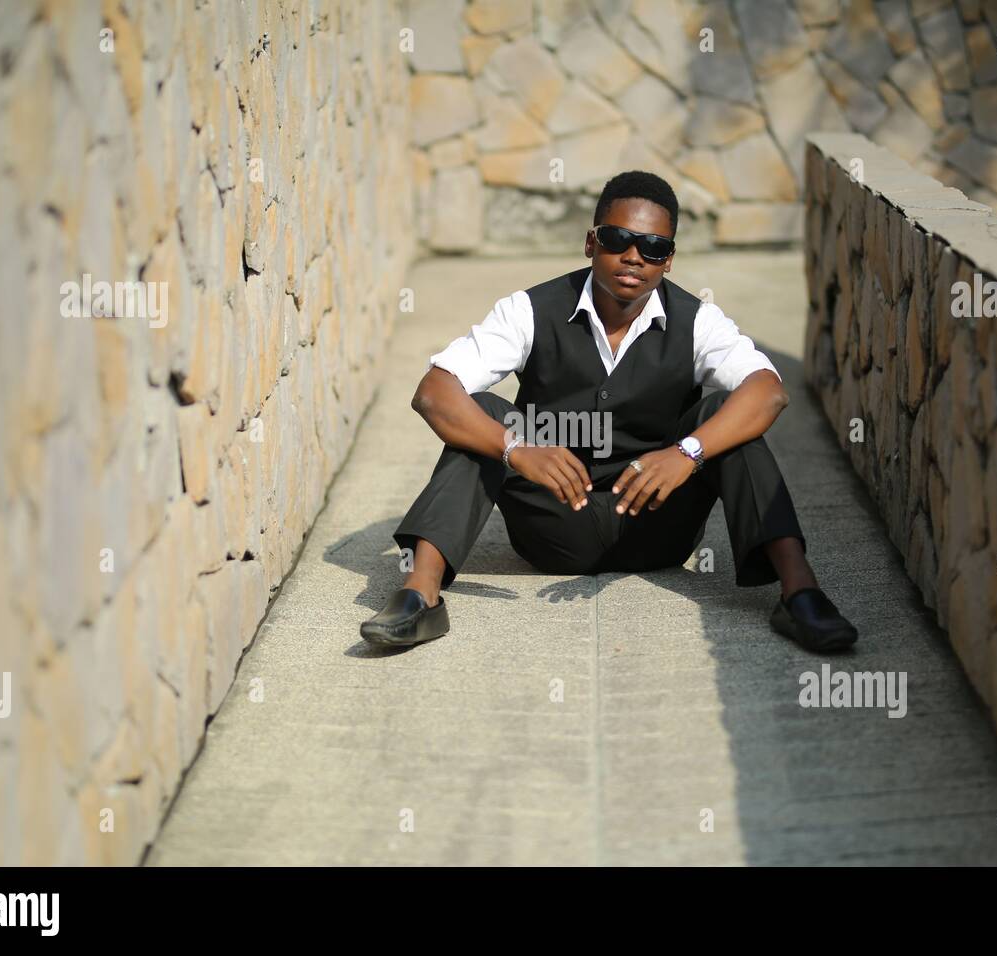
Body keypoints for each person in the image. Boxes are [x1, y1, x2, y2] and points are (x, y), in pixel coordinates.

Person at [361, 170, 858, 653]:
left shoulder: (697, 321)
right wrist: (516, 450)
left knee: (728, 414)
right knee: (486, 414)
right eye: (618, 238)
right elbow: (434, 391)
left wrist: (687, 453)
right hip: (552, 529)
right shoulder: (528, 310)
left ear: (669, 259)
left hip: (656, 526)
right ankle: (420, 597)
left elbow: (768, 391)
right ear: (591, 242)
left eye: (654, 247)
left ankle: (799, 594)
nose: (634, 256)